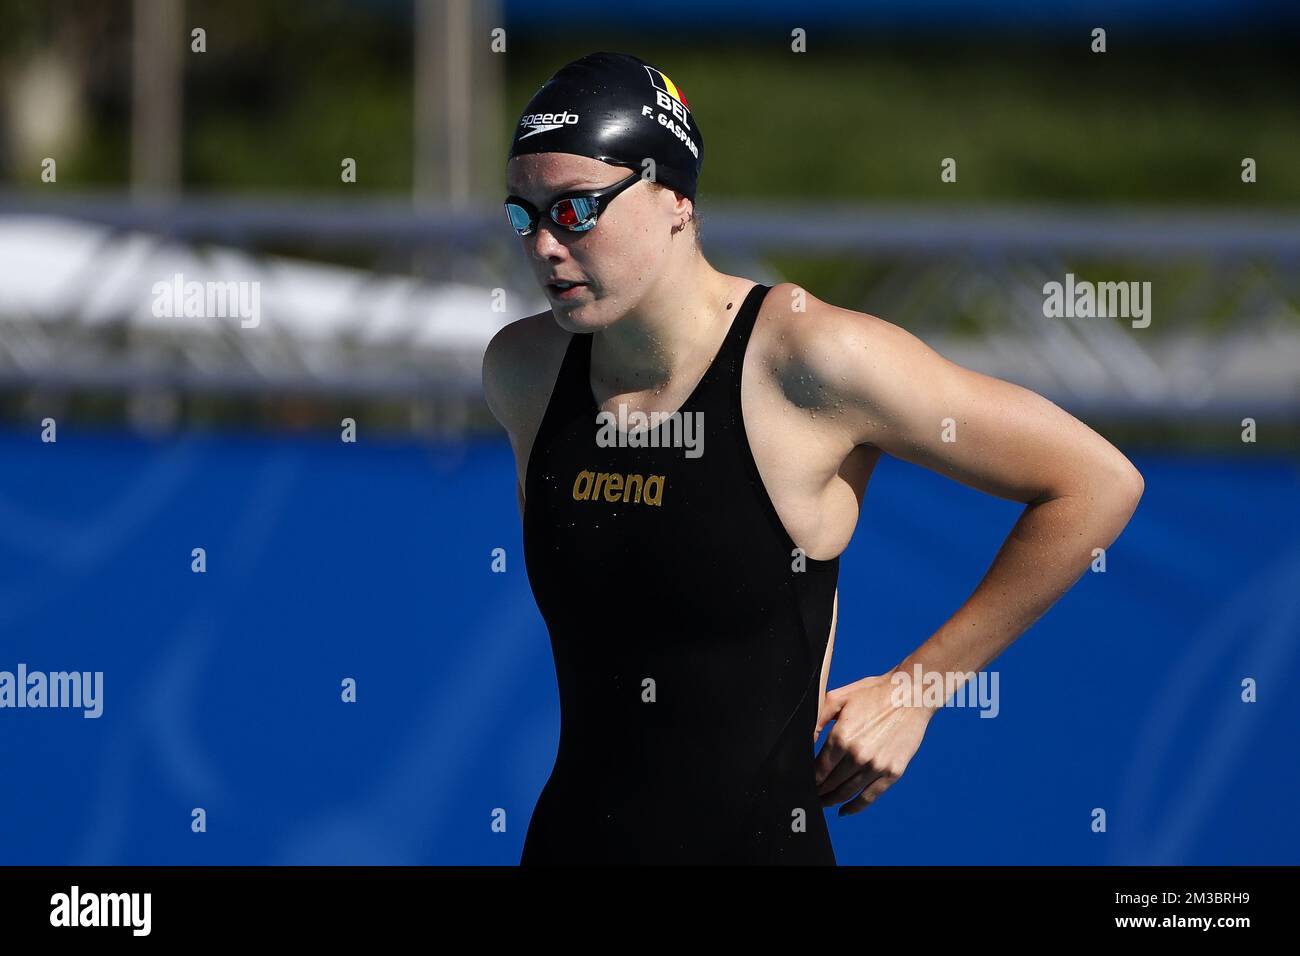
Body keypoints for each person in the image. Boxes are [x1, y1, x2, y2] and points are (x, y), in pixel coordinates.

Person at [482, 51, 1144, 865]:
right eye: (525, 216)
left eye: (576, 210)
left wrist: (920, 688)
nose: (545, 246)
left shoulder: (809, 359)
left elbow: (1095, 482)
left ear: (675, 201)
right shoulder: (525, 371)